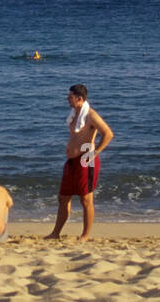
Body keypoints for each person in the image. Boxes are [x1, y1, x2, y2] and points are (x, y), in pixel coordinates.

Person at [46, 84, 113, 242]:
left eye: (70, 97)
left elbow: (108, 134)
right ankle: (56, 232)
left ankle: (85, 235)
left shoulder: (90, 115)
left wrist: (95, 152)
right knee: (63, 197)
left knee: (86, 199)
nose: (67, 99)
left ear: (80, 99)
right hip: (72, 161)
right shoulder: (74, 114)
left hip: (86, 160)